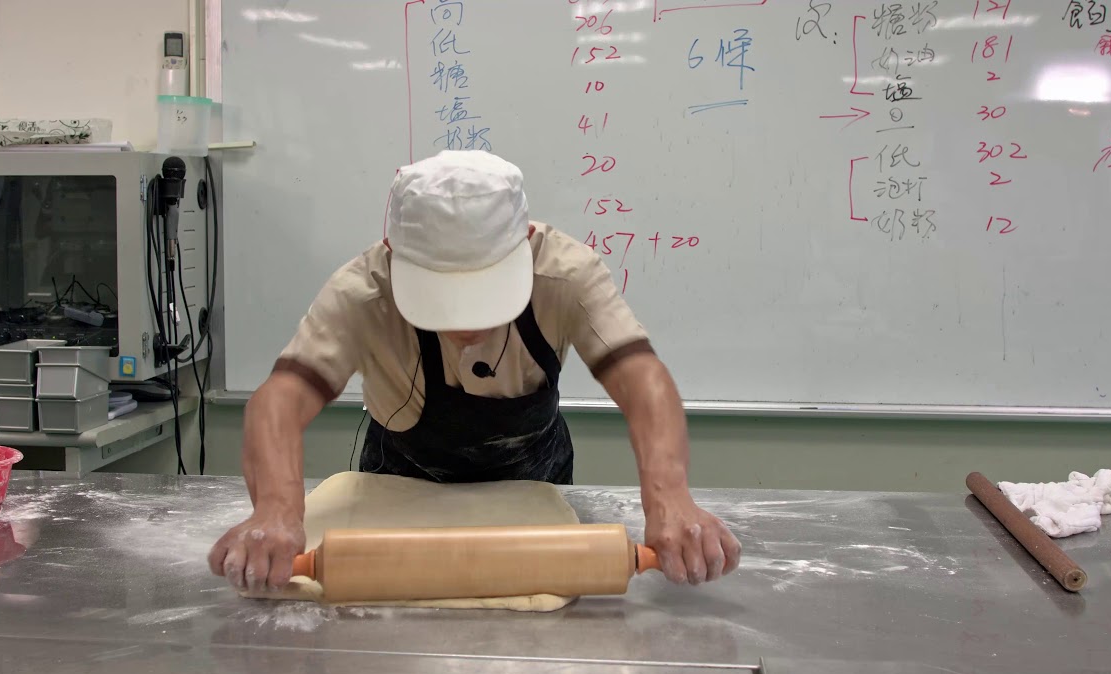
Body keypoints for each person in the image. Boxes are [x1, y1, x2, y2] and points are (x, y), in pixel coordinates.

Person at [209, 151, 741, 594]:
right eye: (440, 297)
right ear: (393, 252)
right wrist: (277, 510)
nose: (465, 326)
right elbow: (281, 398)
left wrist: (670, 498)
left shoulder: (566, 273)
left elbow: (641, 378)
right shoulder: (362, 293)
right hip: (399, 487)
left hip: (532, 486)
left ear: (525, 239)